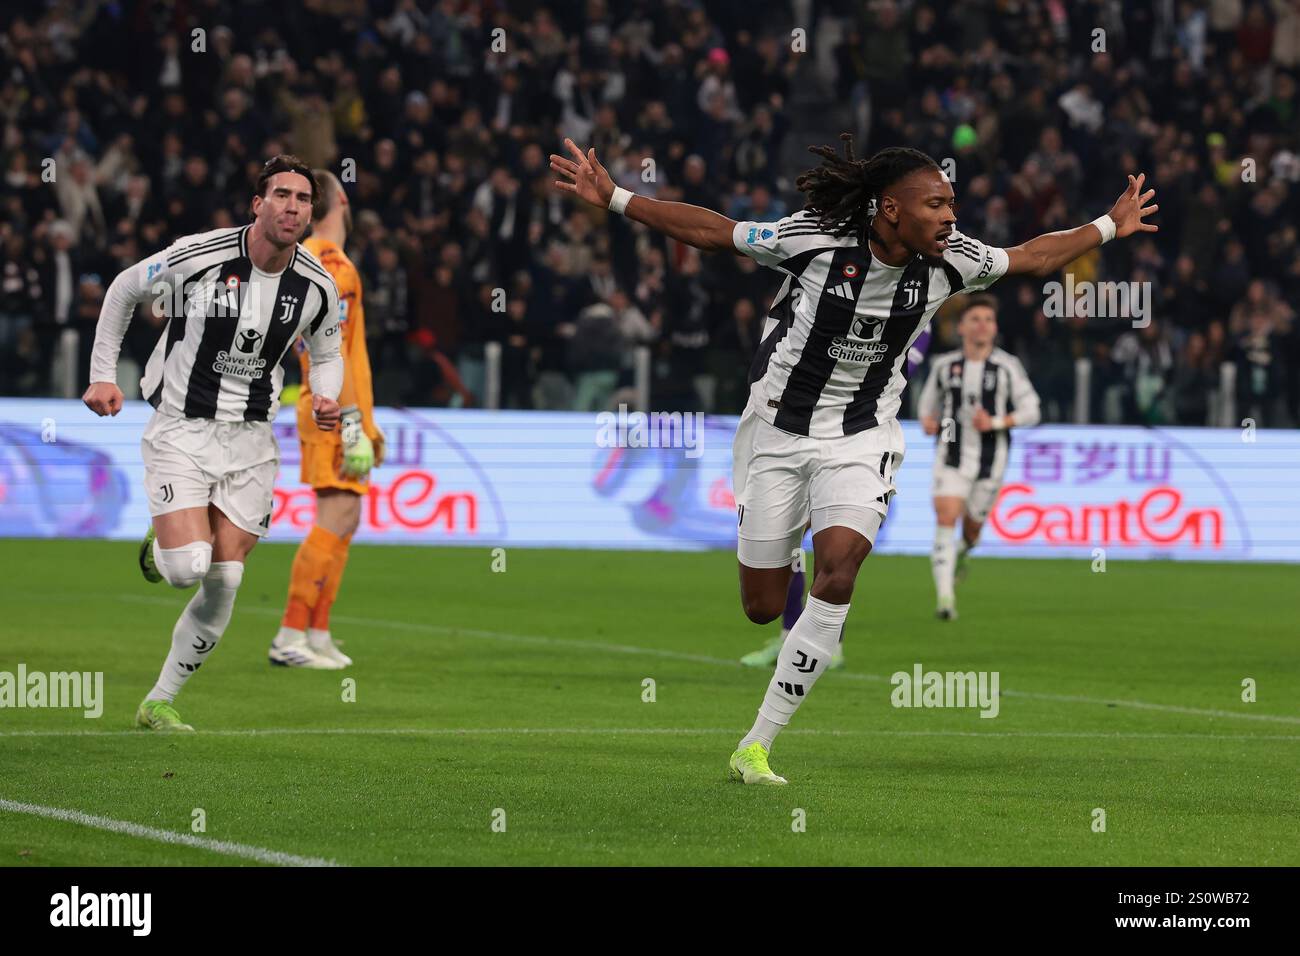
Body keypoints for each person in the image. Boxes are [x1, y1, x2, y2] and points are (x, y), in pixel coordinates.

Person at [550, 134, 1157, 785]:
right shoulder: (813, 240)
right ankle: (784, 552)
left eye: (952, 203)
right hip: (776, 433)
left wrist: (1106, 227)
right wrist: (614, 197)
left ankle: (756, 745)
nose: (951, 216)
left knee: (839, 571)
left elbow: (1034, 256)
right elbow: (714, 232)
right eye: (936, 204)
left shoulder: (955, 260)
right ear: (891, 209)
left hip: (862, 435)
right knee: (760, 604)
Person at [82, 154, 343, 731]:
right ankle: (167, 537)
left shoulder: (317, 286)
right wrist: (104, 373)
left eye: (303, 199)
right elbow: (125, 289)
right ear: (258, 204)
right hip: (181, 425)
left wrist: (326, 395)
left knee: (226, 577)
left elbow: (326, 352)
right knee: (187, 568)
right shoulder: (201, 255)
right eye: (281, 195)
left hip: (252, 440)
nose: (293, 206)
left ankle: (159, 701)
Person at [270, 169, 385, 669]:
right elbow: (331, 350)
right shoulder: (334, 265)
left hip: (336, 407)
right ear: (339, 198)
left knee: (347, 519)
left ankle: (317, 631)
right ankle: (289, 635)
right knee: (334, 517)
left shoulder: (302, 260)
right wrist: (356, 422)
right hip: (335, 410)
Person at [917, 296, 1040, 620]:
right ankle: (945, 598)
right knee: (946, 517)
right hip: (951, 449)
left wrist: (997, 422)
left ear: (995, 327)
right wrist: (928, 421)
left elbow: (1032, 410)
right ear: (961, 327)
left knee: (972, 529)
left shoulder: (1007, 366)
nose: (982, 324)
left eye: (988, 318)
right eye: (975, 318)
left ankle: (964, 552)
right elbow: (927, 405)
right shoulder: (944, 366)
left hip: (991, 458)